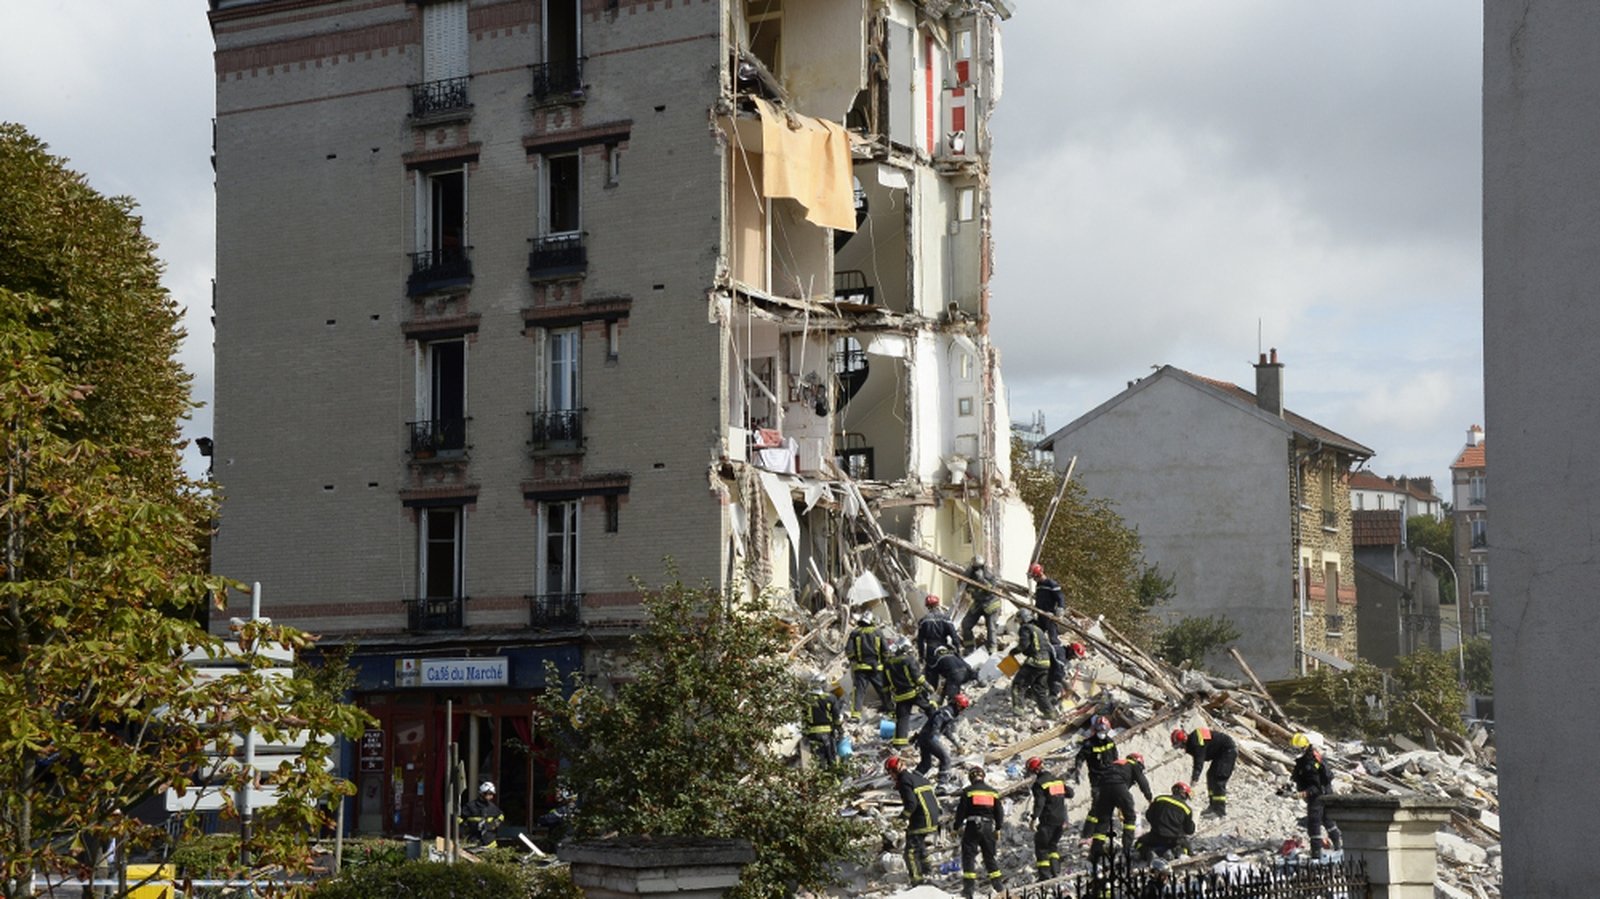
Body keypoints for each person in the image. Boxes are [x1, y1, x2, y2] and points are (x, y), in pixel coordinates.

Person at [1083, 752, 1151, 863]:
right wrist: (1149, 797)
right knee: (1130, 819)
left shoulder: (1115, 764)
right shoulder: (1133, 764)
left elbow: (1105, 781)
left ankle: (1094, 854)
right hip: (1118, 787)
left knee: (1103, 822)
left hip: (1103, 790)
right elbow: (1142, 782)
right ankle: (1127, 851)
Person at [886, 755, 943, 885]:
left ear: (895, 770)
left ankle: (917, 882)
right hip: (933, 818)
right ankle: (928, 872)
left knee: (910, 853)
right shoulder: (918, 777)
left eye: (891, 773)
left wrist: (902, 818)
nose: (891, 776)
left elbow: (911, 804)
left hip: (922, 819)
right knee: (920, 846)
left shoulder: (905, 781)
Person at [953, 765, 1005, 897]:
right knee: (989, 857)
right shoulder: (993, 792)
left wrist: (956, 827)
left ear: (971, 778)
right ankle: (999, 887)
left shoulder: (968, 791)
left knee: (969, 857)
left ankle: (969, 891)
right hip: (988, 827)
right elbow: (999, 812)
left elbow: (961, 812)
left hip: (972, 826)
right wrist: (998, 828)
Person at [1290, 732, 1342, 858]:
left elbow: (1316, 786)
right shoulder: (1304, 760)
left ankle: (1316, 853)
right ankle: (1337, 845)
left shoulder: (1311, 763)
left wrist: (1304, 793)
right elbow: (1297, 777)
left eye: (1299, 748)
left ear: (1306, 747)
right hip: (1322, 793)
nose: (1296, 750)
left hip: (1319, 796)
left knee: (1314, 822)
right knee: (1327, 819)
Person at [883, 637, 938, 748]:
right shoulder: (908, 660)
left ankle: (899, 744)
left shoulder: (887, 664)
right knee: (930, 708)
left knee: (902, 719)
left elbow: (885, 685)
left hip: (899, 696)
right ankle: (937, 730)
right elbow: (917, 678)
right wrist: (928, 687)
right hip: (914, 693)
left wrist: (888, 703)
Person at [1025, 756, 1073, 881]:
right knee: (1053, 846)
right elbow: (1071, 793)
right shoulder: (1057, 780)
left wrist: (1034, 818)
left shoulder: (1039, 784)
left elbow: (1039, 803)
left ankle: (1044, 876)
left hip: (1048, 820)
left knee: (1041, 848)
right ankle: (1056, 871)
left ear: (1034, 770)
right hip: (1061, 819)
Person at [1172, 726, 1238, 817]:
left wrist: (1195, 778)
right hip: (1220, 753)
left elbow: (1199, 759)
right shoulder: (1194, 739)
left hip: (1227, 751)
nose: (1181, 748)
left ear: (1183, 741)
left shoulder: (1196, 741)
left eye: (1180, 746)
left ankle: (1219, 811)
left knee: (1219, 778)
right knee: (1210, 776)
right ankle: (1212, 806)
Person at [1008, 608, 1056, 717]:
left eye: (1019, 620)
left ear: (1023, 619)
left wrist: (1012, 652)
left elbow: (1023, 645)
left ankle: (1018, 709)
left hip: (1035, 662)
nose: (1018, 622)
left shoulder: (1025, 628)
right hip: (1046, 663)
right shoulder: (1038, 629)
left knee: (1018, 685)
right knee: (1039, 690)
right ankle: (1050, 713)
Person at [914, 692, 969, 784]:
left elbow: (946, 731)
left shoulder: (948, 713)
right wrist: (934, 734)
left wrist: (957, 744)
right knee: (946, 759)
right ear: (957, 705)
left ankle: (912, 780)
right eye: (961, 708)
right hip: (930, 738)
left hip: (923, 738)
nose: (961, 710)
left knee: (926, 764)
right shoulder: (946, 712)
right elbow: (937, 722)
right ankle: (942, 785)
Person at [845, 611, 891, 719]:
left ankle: (855, 715)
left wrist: (854, 659)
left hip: (861, 668)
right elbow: (885, 650)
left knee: (859, 692)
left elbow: (849, 650)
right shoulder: (878, 632)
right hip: (876, 668)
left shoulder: (855, 633)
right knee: (883, 689)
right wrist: (883, 661)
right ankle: (890, 710)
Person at [1135, 782, 1195, 862]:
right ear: (1183, 794)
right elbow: (1190, 830)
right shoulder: (1186, 809)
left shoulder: (1159, 799)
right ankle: (1178, 853)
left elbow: (1149, 815)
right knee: (1186, 846)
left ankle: (1147, 852)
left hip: (1155, 836)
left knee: (1139, 843)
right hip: (1173, 840)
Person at [1071, 714, 1120, 804]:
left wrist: (1117, 768)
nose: (1102, 734)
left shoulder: (1110, 741)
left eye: (1103, 731)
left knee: (1116, 796)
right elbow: (1080, 757)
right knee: (1097, 800)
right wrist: (1078, 770)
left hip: (1110, 773)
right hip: (1096, 776)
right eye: (1100, 731)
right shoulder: (1089, 744)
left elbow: (1115, 756)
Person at [959, 555, 1003, 652]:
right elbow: (962, 585)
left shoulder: (989, 576)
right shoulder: (970, 574)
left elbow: (991, 590)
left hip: (991, 603)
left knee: (991, 628)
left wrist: (982, 581)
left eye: (978, 568)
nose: (976, 570)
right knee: (966, 624)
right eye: (974, 568)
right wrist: (964, 579)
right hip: (978, 603)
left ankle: (992, 651)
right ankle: (969, 648)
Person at [802, 674, 843, 767]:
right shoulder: (830, 698)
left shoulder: (806, 699)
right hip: (827, 734)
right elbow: (836, 717)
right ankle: (834, 778)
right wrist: (840, 730)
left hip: (812, 735)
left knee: (818, 760)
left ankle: (821, 779)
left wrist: (804, 733)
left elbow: (803, 717)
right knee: (831, 758)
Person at [916, 593, 961, 674]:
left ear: (927, 606)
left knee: (932, 674)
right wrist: (958, 651)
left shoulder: (923, 621)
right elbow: (954, 636)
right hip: (944, 648)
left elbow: (920, 641)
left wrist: (921, 656)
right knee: (948, 673)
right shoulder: (946, 619)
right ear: (937, 605)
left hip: (931, 651)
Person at [1027, 563, 1067, 645]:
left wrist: (1061, 608)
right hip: (1041, 614)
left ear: (1039, 575)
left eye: (1034, 577)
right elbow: (1039, 599)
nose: (1034, 579)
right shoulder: (1039, 585)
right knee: (1037, 635)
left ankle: (1059, 653)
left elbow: (1060, 597)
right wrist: (1035, 609)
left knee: (1053, 638)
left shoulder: (1051, 584)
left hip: (1049, 615)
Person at [459, 781, 505, 846]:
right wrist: (465, 828)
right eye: (489, 794)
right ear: (482, 793)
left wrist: (494, 824)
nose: (491, 797)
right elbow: (459, 819)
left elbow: (501, 816)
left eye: (492, 794)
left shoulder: (493, 808)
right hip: (473, 840)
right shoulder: (470, 806)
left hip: (490, 842)